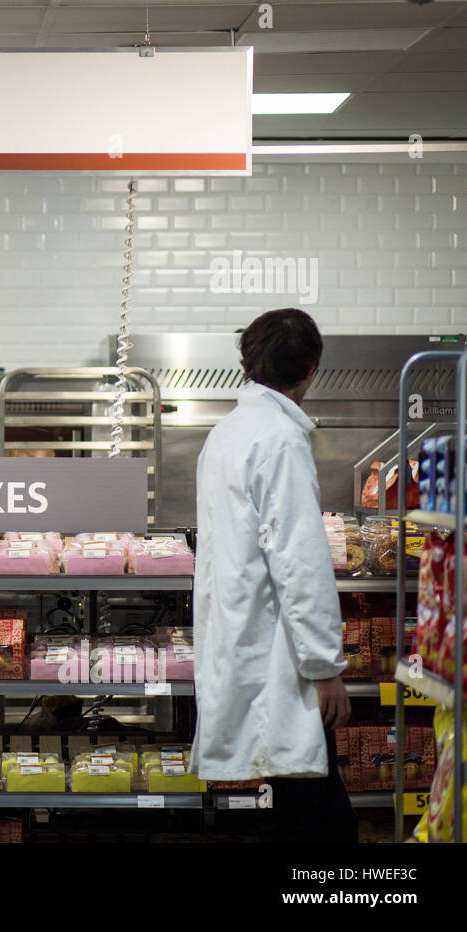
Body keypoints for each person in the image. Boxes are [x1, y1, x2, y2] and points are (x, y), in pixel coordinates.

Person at [192, 308, 355, 843]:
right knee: (323, 819)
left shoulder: (226, 434)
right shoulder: (281, 440)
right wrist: (325, 665)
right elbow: (300, 561)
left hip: (242, 650)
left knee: (295, 810)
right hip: (281, 662)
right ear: (310, 368)